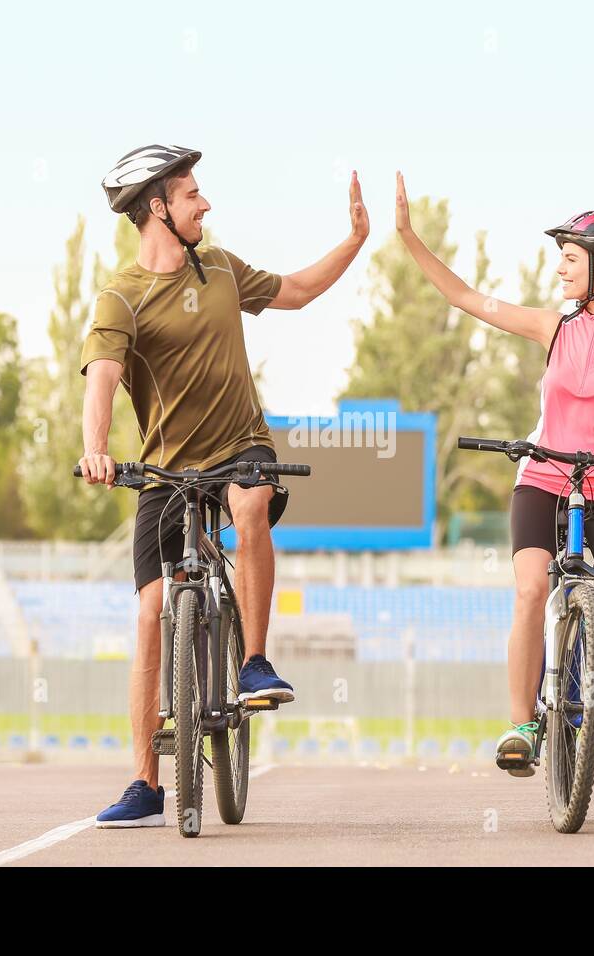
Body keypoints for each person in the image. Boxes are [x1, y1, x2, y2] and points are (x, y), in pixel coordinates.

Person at [394, 173, 594, 825]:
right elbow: (468, 298)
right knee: (531, 589)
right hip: (543, 478)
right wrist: (409, 239)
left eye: (571, 257)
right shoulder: (553, 327)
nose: (560, 267)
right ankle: (524, 726)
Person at [79, 144, 370, 827]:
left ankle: (256, 663)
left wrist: (354, 241)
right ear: (157, 208)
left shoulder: (222, 270)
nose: (204, 203)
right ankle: (146, 783)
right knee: (151, 613)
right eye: (191, 194)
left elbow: (295, 291)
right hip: (167, 470)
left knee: (251, 501)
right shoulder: (122, 296)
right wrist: (96, 452)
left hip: (241, 446)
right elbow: (103, 380)